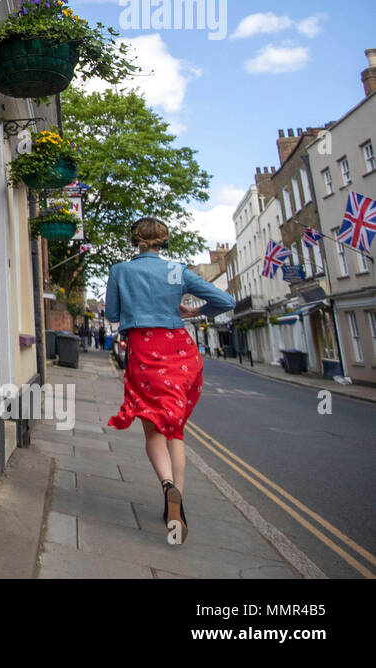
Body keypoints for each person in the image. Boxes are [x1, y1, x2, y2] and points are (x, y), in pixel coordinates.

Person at [104, 217, 235, 544]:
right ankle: (178, 505)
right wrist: (192, 313)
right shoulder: (177, 270)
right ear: (164, 240)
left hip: (145, 351)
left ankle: (167, 486)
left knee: (152, 427)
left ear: (135, 239)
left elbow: (111, 314)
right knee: (175, 429)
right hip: (180, 351)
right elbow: (226, 302)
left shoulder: (121, 271)